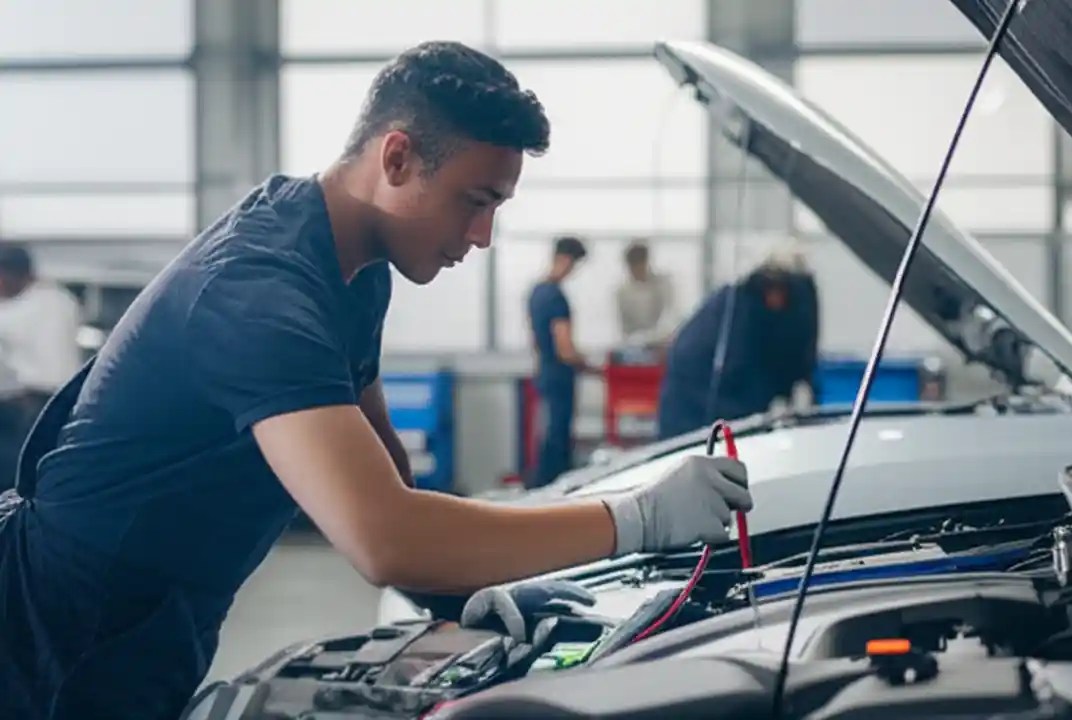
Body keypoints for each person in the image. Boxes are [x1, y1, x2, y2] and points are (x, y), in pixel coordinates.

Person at [0, 41, 752, 720]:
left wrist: (465, 587)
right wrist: (636, 517)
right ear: (396, 159)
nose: (483, 236)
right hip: (57, 629)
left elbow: (382, 466)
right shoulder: (259, 292)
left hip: (160, 614)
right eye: (475, 201)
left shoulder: (353, 270)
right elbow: (383, 537)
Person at [657, 246, 820, 440]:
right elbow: (737, 369)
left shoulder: (757, 302)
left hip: (698, 409)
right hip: (699, 411)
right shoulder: (740, 312)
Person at [0, 244, 82, 488]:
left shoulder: (20, 310)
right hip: (64, 404)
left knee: (14, 478)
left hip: (28, 405)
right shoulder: (61, 298)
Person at [527, 235, 595, 489]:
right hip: (560, 377)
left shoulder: (536, 292)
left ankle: (541, 488)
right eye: (574, 264)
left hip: (544, 372)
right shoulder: (556, 297)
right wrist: (590, 366)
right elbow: (565, 348)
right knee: (558, 439)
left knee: (548, 435)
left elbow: (536, 340)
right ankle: (552, 490)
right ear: (565, 259)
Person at [615, 239, 675, 347]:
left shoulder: (662, 284)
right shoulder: (623, 292)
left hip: (663, 342)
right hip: (636, 345)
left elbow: (669, 315)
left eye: (640, 266)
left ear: (646, 263)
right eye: (634, 268)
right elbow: (625, 327)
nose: (637, 271)